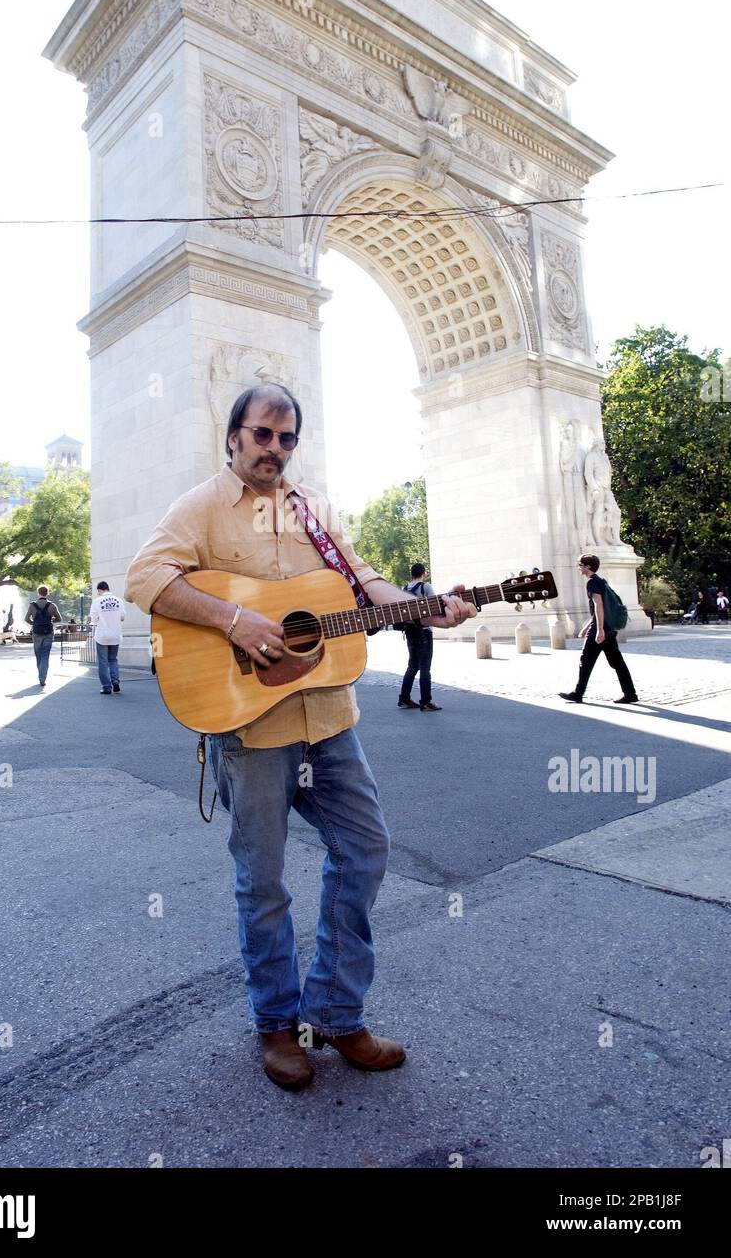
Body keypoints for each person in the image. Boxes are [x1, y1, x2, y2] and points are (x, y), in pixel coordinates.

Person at [124, 384, 476, 1091]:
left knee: (366, 850)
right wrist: (233, 620)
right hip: (252, 726)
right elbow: (145, 577)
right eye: (261, 436)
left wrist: (417, 608)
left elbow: (359, 579)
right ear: (232, 437)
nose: (274, 450)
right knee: (264, 883)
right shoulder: (197, 507)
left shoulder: (312, 507)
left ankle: (337, 1014)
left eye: (286, 440)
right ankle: (276, 1026)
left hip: (331, 721)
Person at [560, 554, 639, 705]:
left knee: (586, 660)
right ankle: (630, 694)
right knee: (617, 662)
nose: (578, 567)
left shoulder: (592, 583)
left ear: (587, 567)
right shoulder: (601, 581)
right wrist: (585, 628)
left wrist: (599, 630)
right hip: (606, 628)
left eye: (580, 565)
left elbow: (599, 605)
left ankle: (578, 693)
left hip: (601, 629)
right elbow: (598, 609)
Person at [397, 562, 441, 711]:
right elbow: (435, 607)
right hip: (424, 631)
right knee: (424, 667)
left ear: (411, 574)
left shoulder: (404, 589)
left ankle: (404, 698)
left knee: (412, 665)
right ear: (423, 573)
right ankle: (426, 702)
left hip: (409, 632)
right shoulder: (425, 587)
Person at [89, 581, 125, 694]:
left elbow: (93, 619)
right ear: (108, 588)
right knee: (113, 659)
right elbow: (123, 617)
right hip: (115, 634)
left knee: (103, 662)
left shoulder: (97, 601)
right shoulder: (119, 600)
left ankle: (106, 687)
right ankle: (115, 681)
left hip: (102, 635)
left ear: (99, 590)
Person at [25, 586, 62, 689]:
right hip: (48, 632)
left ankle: (40, 674)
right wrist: (51, 620)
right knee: (45, 655)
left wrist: (34, 623)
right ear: (47, 593)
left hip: (36, 632)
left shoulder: (33, 605)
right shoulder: (52, 606)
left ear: (38, 593)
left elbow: (26, 619)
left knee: (38, 654)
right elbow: (59, 618)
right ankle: (42, 678)